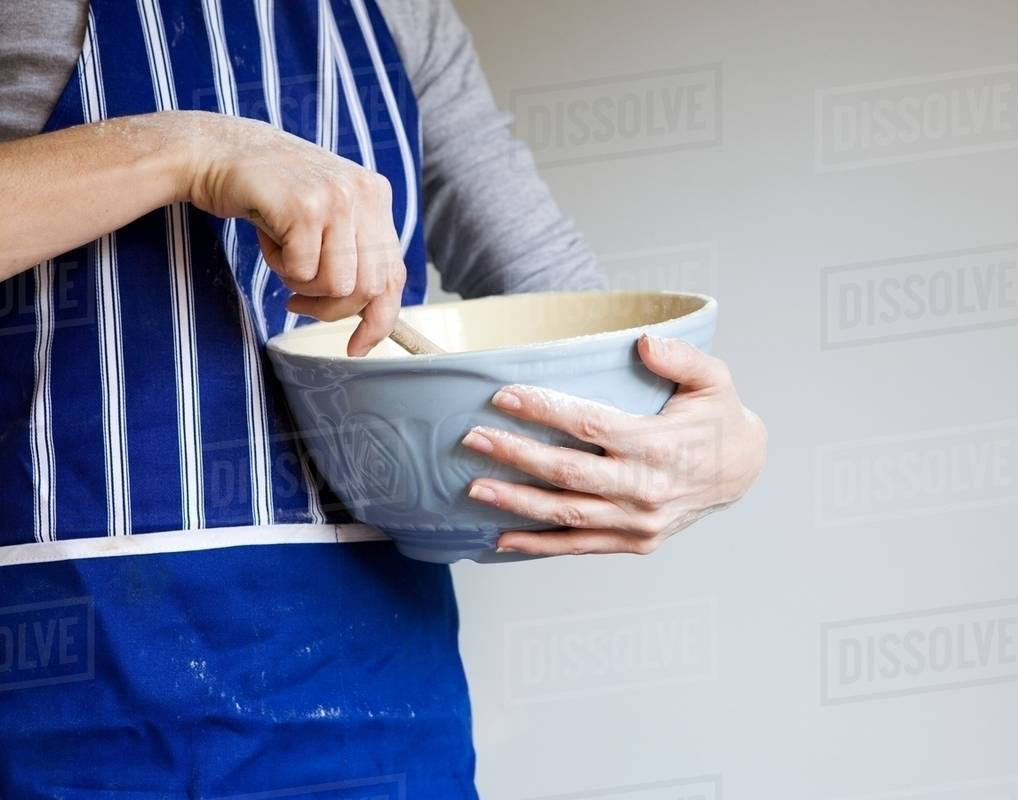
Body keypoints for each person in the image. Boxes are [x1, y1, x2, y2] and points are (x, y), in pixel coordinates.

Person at [0, 0, 767, 796]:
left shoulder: (404, 15)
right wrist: (188, 148)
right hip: (62, 704)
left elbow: (566, 303)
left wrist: (727, 443)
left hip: (378, 715)